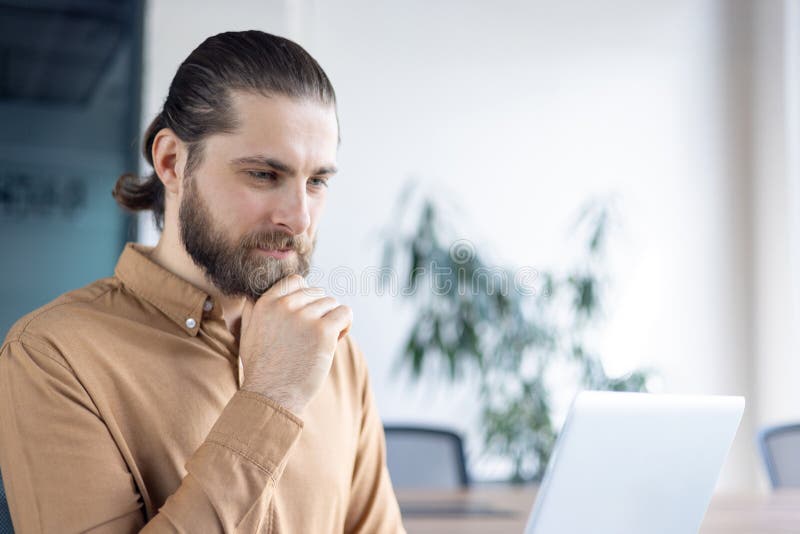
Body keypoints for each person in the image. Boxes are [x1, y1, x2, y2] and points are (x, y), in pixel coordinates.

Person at [0, 30, 405, 533]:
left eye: (317, 181)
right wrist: (273, 398)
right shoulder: (52, 355)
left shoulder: (337, 354)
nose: (299, 218)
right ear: (172, 162)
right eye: (262, 174)